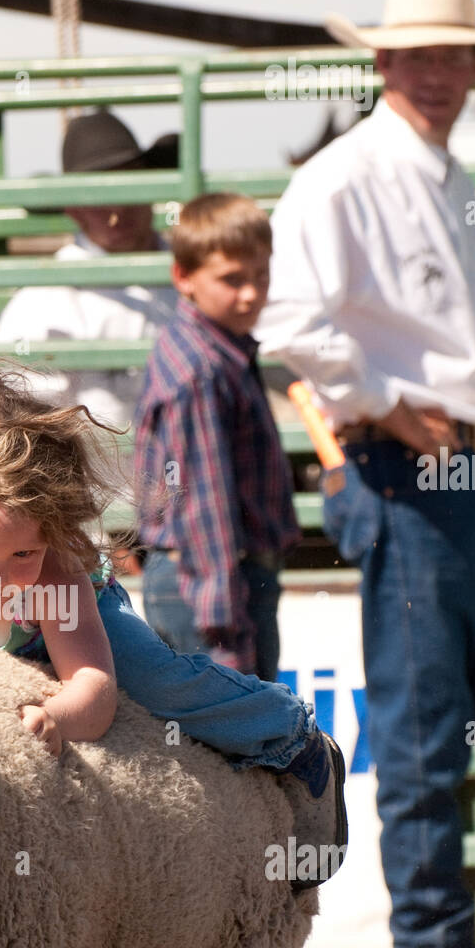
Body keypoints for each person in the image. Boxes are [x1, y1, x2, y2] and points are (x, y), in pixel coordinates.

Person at [255, 0, 475, 948]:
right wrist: (385, 401)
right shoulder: (344, 178)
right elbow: (292, 327)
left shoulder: (426, 173)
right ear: (382, 62)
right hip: (405, 463)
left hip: (453, 461)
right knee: (425, 720)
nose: (442, 71)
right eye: (422, 55)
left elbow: (469, 317)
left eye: (454, 54)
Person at [0, 359, 338, 804]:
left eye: (23, 552)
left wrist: (60, 716)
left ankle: (288, 731)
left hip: (66, 623)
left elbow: (95, 690)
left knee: (153, 680)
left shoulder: (53, 572)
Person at [134, 192, 299, 681]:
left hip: (205, 580)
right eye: (232, 279)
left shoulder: (209, 353)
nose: (250, 293)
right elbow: (203, 505)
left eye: (261, 276)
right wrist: (223, 628)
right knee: (237, 744)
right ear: (183, 277)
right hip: (212, 586)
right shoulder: (202, 371)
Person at [0, 109, 178, 431]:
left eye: (129, 184)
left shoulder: (196, 273)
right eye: (100, 194)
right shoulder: (45, 299)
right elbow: (18, 414)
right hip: (96, 478)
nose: (118, 208)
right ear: (74, 208)